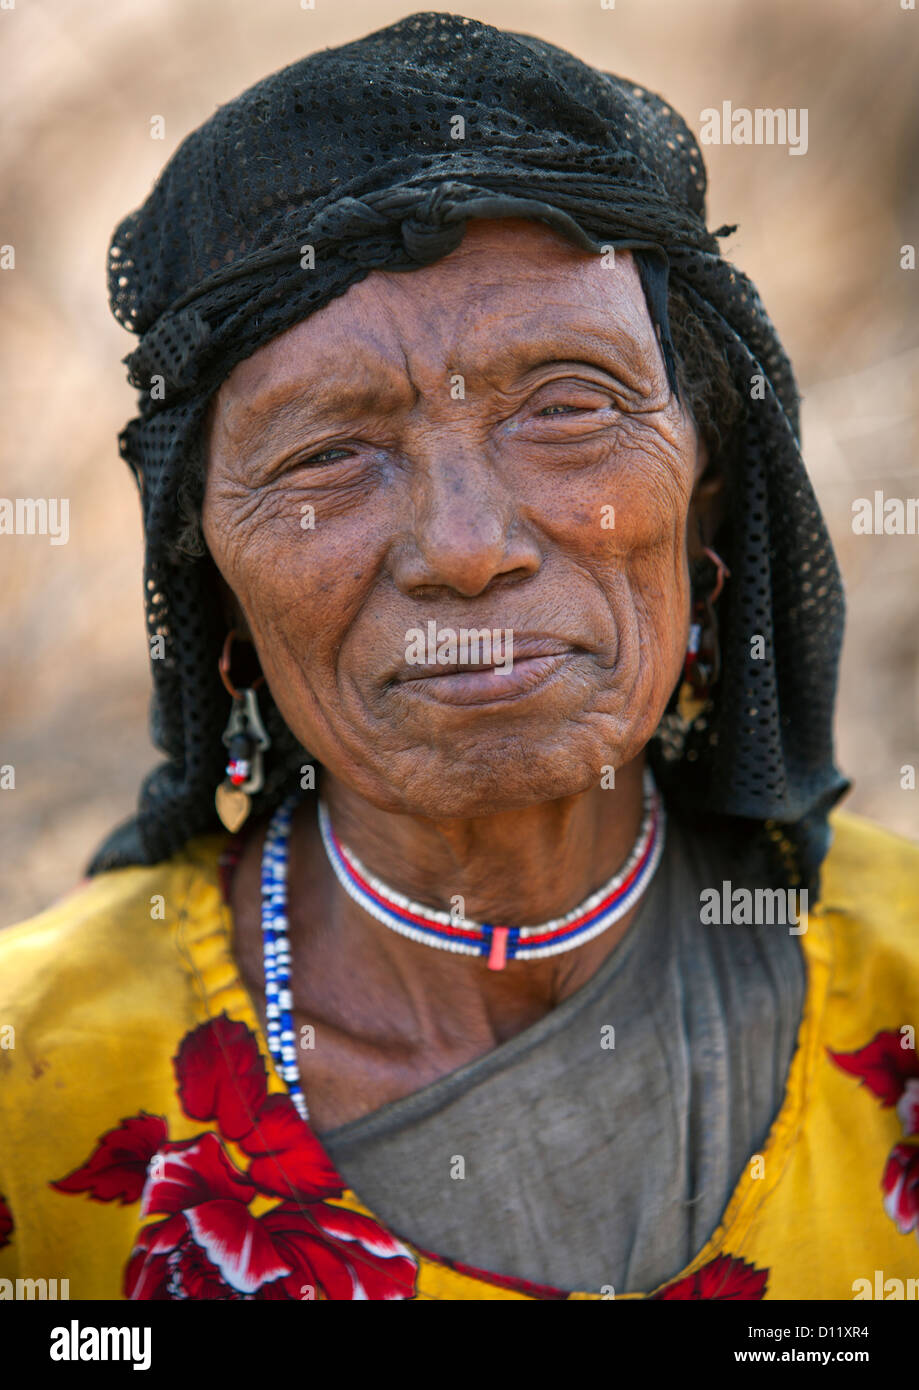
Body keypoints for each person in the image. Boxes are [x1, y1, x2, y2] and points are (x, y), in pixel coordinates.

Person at [1, 12, 917, 1303]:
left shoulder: (905, 988)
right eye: (328, 454)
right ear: (211, 574)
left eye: (568, 407)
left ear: (708, 491)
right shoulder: (34, 1098)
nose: (467, 547)